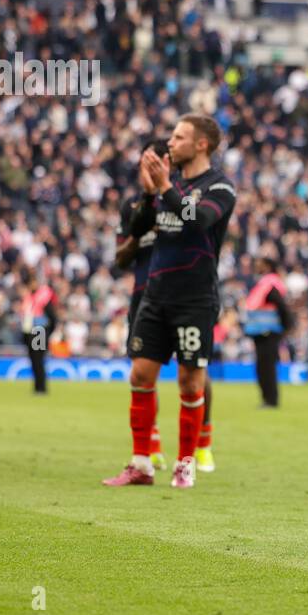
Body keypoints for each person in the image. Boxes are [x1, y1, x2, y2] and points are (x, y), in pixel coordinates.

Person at [103, 115, 236, 489]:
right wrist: (149, 194)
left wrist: (164, 188)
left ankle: (185, 463)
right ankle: (141, 462)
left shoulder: (220, 186)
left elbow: (197, 221)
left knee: (190, 383)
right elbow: (139, 229)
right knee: (140, 374)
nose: (170, 144)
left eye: (178, 138)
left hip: (194, 299)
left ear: (201, 145)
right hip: (155, 295)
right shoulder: (170, 184)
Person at [116, 138, 169, 470]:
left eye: (152, 162)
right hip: (143, 295)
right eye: (142, 163)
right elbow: (120, 258)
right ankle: (152, 441)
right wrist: (139, 231)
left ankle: (201, 446)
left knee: (194, 373)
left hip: (180, 294)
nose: (145, 170)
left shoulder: (183, 199)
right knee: (141, 371)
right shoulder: (132, 206)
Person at [245, 257, 294, 408]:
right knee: (263, 367)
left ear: (267, 266)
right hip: (261, 332)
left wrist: (286, 327)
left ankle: (271, 400)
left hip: (269, 332)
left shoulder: (270, 285)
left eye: (260, 264)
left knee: (267, 367)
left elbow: (282, 307)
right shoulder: (265, 284)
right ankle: (267, 399)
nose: (257, 267)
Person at [20, 271, 58, 395]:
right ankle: (37, 386)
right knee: (33, 359)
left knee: (38, 359)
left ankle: (41, 387)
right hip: (29, 330)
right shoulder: (29, 296)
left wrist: (47, 332)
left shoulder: (43, 295)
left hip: (39, 330)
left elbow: (52, 316)